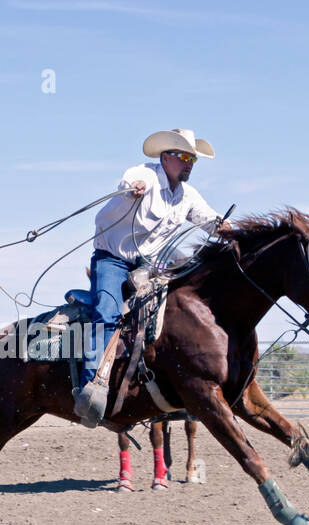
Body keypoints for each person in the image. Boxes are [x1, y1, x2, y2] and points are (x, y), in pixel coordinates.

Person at [73, 128, 224, 428]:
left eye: (192, 158)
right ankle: (92, 388)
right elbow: (129, 182)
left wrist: (233, 231)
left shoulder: (188, 196)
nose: (189, 163)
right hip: (113, 260)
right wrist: (133, 188)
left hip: (151, 267)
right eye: (183, 156)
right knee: (108, 313)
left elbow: (212, 222)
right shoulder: (145, 175)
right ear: (166, 157)